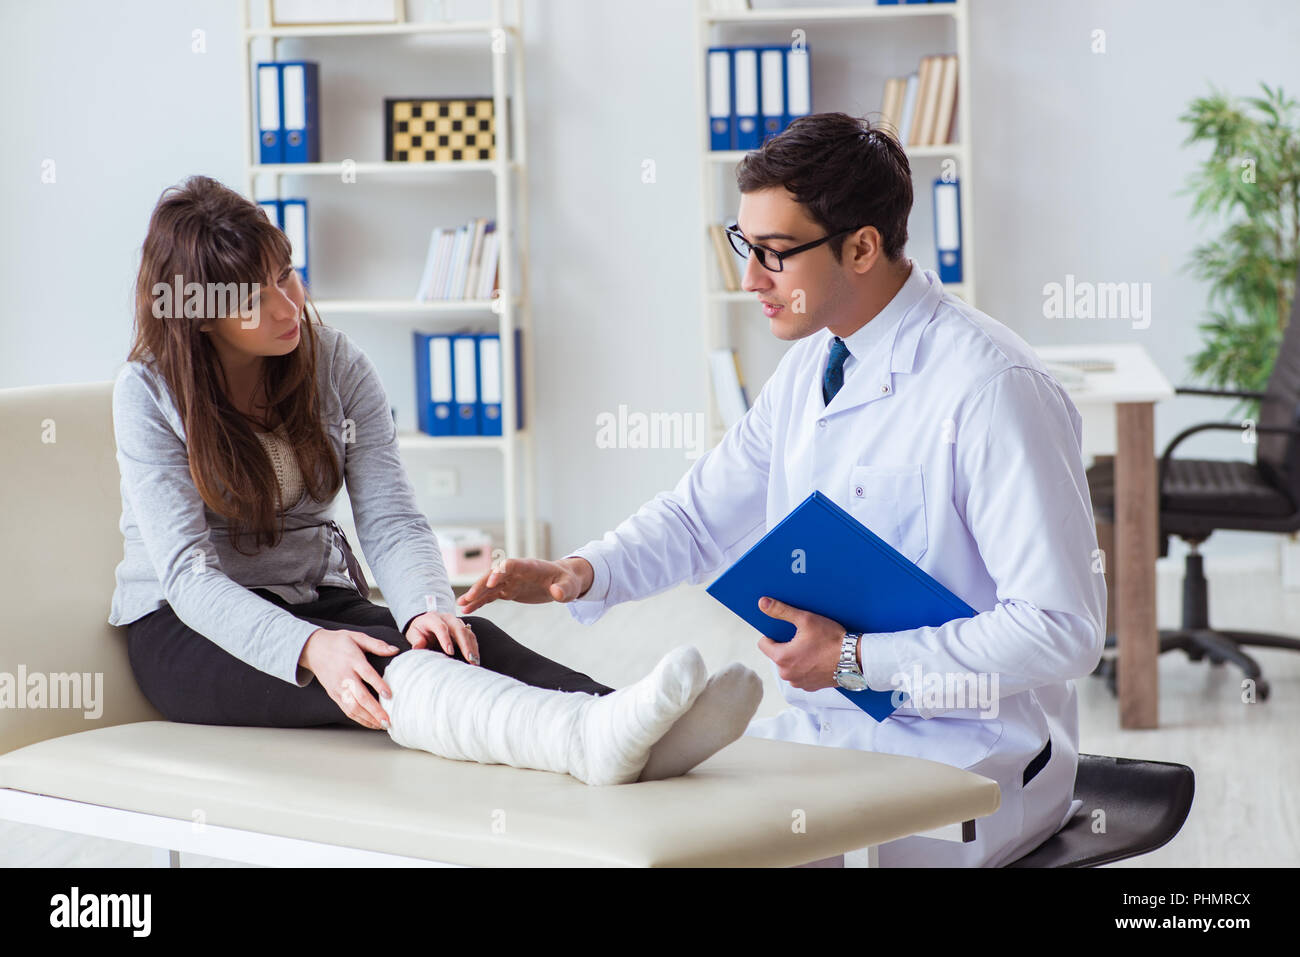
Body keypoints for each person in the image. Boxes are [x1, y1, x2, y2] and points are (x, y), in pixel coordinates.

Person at [457, 114, 1108, 862]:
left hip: (969, 752)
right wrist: (582, 571)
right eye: (745, 245)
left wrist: (857, 659)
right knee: (653, 838)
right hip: (828, 729)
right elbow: (700, 515)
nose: (749, 279)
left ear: (861, 247)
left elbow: (1061, 627)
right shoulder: (812, 364)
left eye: (774, 254)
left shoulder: (992, 387)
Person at [107, 175, 763, 787]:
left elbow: (389, 518)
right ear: (200, 315)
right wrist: (311, 649)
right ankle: (584, 738)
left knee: (466, 643)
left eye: (287, 276)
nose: (287, 306)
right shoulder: (147, 393)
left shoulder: (334, 362)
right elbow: (189, 576)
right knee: (391, 672)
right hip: (183, 629)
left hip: (309, 597)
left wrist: (426, 607)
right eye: (256, 296)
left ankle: (634, 722)